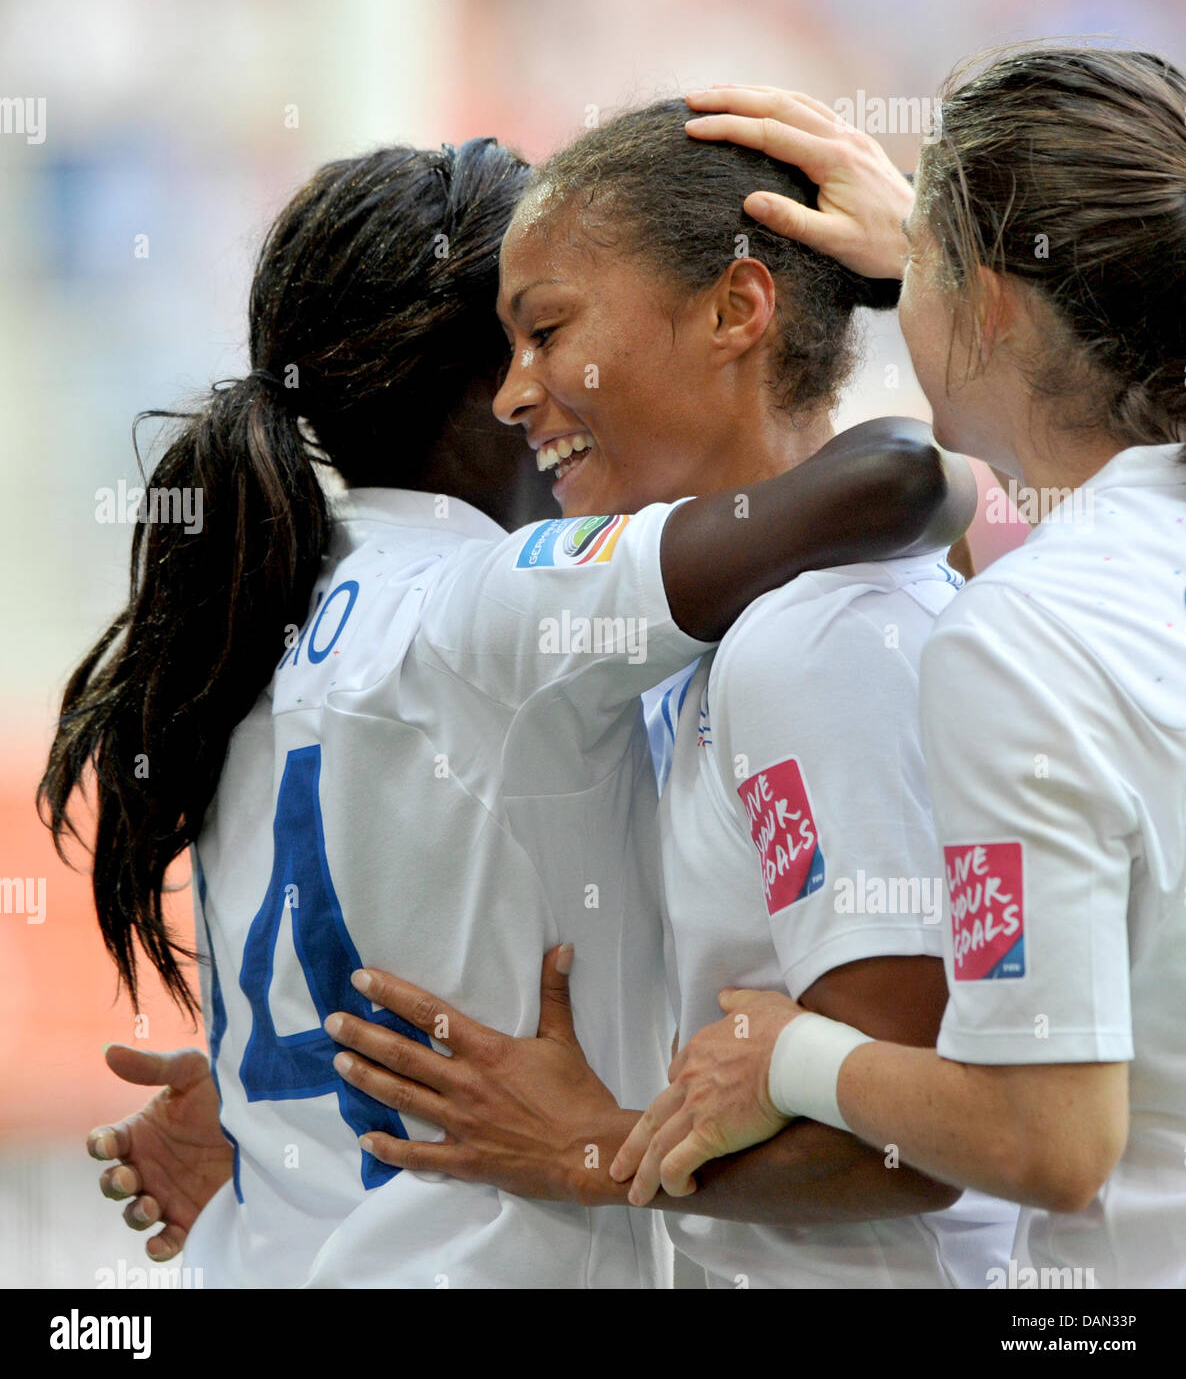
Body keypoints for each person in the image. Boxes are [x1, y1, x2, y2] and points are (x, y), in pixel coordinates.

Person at [56, 137, 969, 1287]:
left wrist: (268, 1110)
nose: (532, 384)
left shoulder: (245, 613)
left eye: (558, 332)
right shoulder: (499, 603)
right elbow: (895, 477)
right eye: (525, 333)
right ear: (480, 369)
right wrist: (918, 271)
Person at [299, 100, 1015, 1289]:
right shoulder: (707, 647)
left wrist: (589, 1153)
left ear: (736, 309)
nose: (513, 395)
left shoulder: (819, 643)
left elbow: (913, 1142)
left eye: (546, 332)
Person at [611, 51, 1186, 1290]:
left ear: (987, 307)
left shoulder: (1024, 635)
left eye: (915, 260)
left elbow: (1050, 1139)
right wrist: (935, 250)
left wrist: (787, 1054)